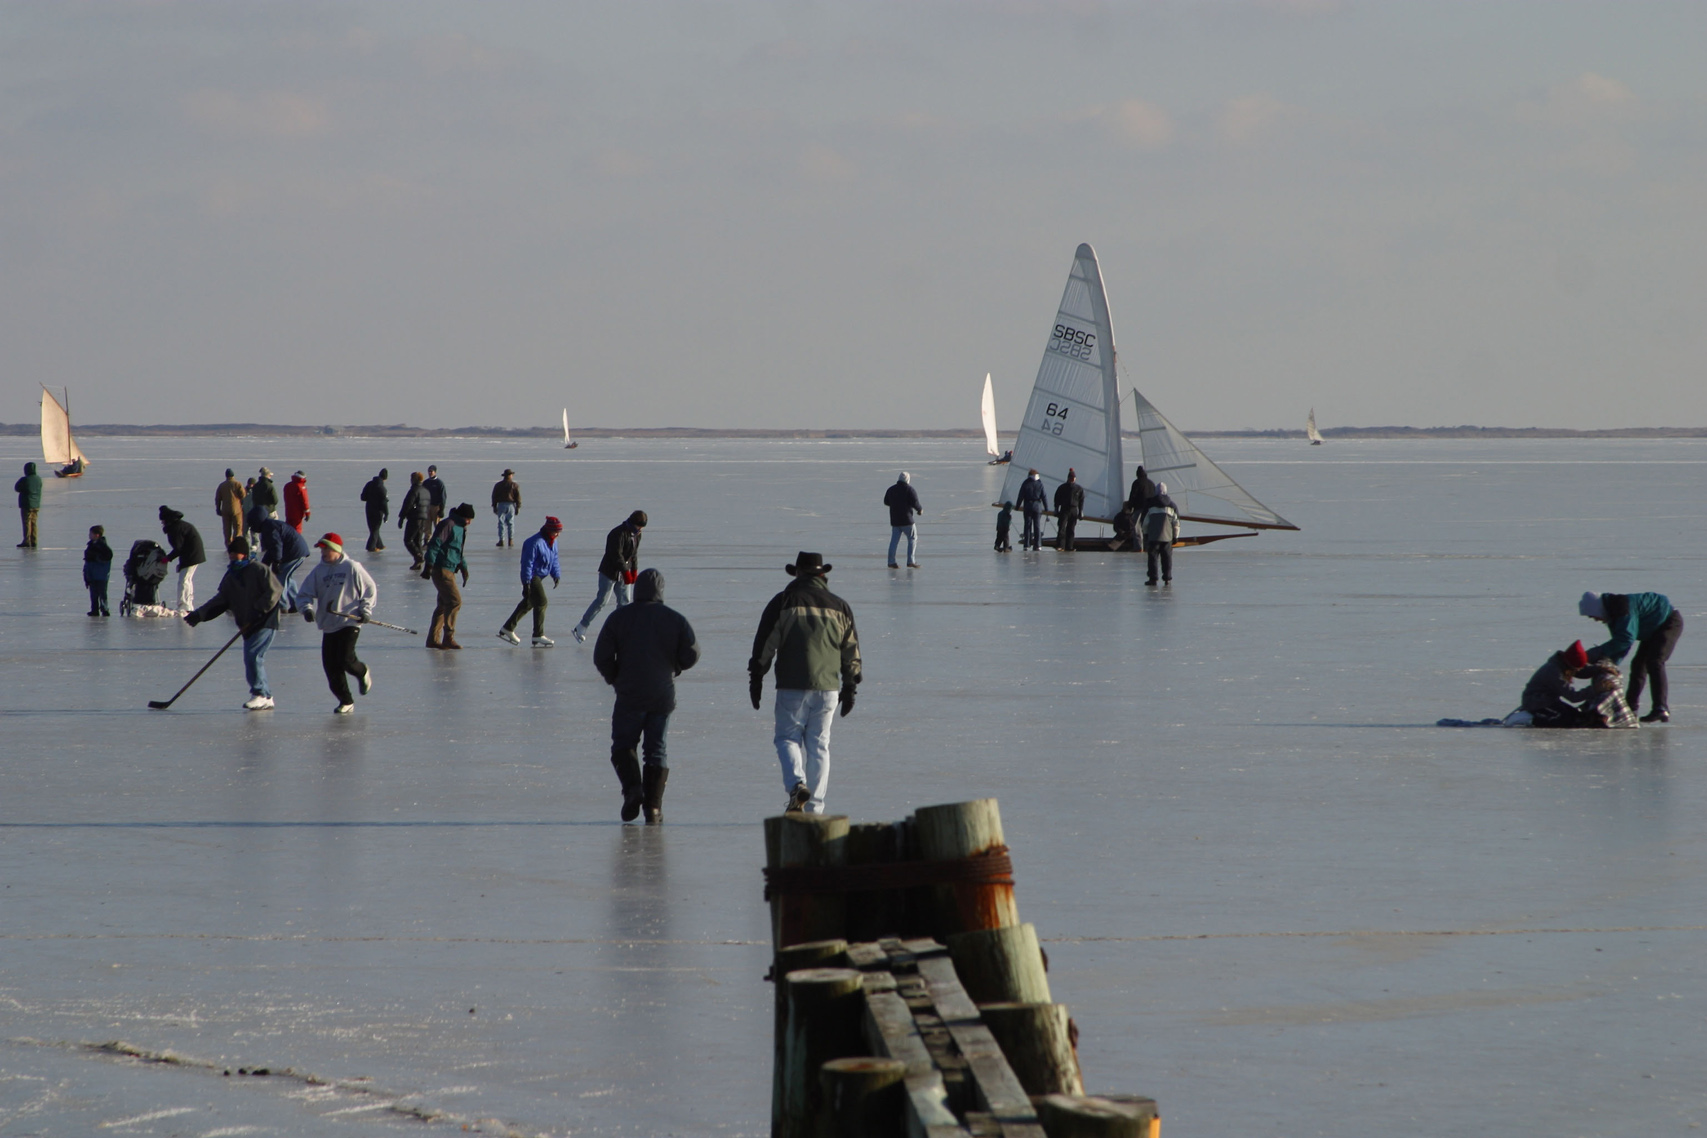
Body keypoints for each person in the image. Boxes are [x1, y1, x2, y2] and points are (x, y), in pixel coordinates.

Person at [748, 552, 861, 815]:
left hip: (792, 685)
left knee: (787, 738)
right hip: (828, 688)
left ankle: (796, 785)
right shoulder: (840, 606)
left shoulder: (784, 601)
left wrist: (756, 678)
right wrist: (850, 686)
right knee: (819, 745)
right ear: (822, 575)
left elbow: (765, 644)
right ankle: (815, 808)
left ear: (797, 573)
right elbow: (851, 650)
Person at [594, 568, 701, 824]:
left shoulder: (619, 618)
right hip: (661, 694)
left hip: (629, 693)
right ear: (660, 590)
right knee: (656, 750)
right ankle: (653, 808)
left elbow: (601, 656)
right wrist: (674, 667)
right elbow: (692, 654)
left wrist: (615, 678)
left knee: (623, 745)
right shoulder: (675, 619)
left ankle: (633, 790)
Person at [184, 537, 285, 711]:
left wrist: (258, 609)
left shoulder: (259, 569)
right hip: (247, 624)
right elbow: (221, 600)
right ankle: (266, 696)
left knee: (253, 656)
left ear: (244, 554)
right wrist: (199, 615)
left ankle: (260, 694)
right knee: (252, 657)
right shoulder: (231, 576)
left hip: (265, 621)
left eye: (235, 553)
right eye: (230, 553)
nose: (231, 556)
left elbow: (275, 591)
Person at [296, 533, 378, 714]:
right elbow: (304, 594)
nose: (323, 552)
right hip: (329, 624)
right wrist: (307, 609)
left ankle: (362, 671)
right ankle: (346, 701)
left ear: (336, 549)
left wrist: (365, 610)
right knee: (331, 666)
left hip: (350, 621)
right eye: (321, 549)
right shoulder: (319, 571)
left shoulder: (352, 567)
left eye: (326, 548)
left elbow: (369, 589)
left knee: (345, 659)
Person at [1580, 590, 1683, 723]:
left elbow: (1626, 639)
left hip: (1668, 623)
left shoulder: (1621, 608)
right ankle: (1631, 707)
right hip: (1652, 631)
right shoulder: (1612, 614)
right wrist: (1609, 664)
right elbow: (1620, 645)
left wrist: (1598, 653)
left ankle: (1661, 708)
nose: (1595, 619)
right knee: (1638, 666)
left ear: (1597, 609)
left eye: (1592, 616)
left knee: (1655, 662)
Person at [572, 510, 647, 643]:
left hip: (624, 573)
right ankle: (581, 626)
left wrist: (634, 570)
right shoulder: (617, 533)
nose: (640, 530)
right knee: (602, 601)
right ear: (633, 523)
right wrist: (625, 571)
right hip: (609, 572)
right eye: (639, 527)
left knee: (624, 602)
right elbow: (615, 555)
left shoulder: (637, 535)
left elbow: (633, 554)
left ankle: (622, 632)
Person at [498, 516, 563, 647]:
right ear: (549, 530)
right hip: (532, 576)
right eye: (555, 531)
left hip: (540, 575)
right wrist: (526, 583)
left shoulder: (553, 542)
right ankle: (538, 635)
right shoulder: (534, 542)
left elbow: (554, 559)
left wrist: (556, 575)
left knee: (529, 602)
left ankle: (508, 628)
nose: (557, 534)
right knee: (542, 602)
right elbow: (527, 564)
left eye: (559, 532)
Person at [423, 502, 475, 649]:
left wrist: (464, 568)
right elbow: (435, 544)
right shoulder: (448, 524)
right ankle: (448, 637)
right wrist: (429, 565)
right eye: (468, 519)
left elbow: (458, 551)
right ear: (462, 516)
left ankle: (433, 639)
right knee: (454, 601)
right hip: (441, 569)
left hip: (450, 569)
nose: (470, 523)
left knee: (443, 604)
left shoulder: (461, 528)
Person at [249, 505, 311, 612]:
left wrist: (277, 562)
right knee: (288, 578)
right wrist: (265, 565)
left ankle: (280, 605)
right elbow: (271, 549)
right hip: (296, 552)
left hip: (293, 553)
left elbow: (276, 545)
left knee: (280, 579)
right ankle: (296, 603)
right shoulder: (268, 526)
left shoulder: (269, 527)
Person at [1520, 640, 1593, 727]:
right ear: (1571, 666)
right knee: (1564, 720)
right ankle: (1529, 719)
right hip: (1536, 703)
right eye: (1576, 669)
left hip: (1549, 700)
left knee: (1576, 716)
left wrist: (1599, 669)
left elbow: (1583, 671)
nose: (1578, 671)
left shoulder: (1562, 663)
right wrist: (1595, 688)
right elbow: (1573, 697)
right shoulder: (1555, 673)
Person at [159, 506, 206, 612]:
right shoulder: (179, 525)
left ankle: (184, 605)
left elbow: (178, 548)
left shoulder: (176, 529)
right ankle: (187, 604)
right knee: (187, 579)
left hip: (192, 555)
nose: (162, 523)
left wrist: (168, 558)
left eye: (163, 521)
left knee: (184, 580)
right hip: (193, 555)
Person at [1141, 481, 1179, 586]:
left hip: (1153, 537)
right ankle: (1167, 579)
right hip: (1167, 537)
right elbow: (1176, 523)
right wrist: (1175, 536)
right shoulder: (1172, 506)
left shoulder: (1150, 505)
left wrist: (1146, 534)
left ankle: (1153, 579)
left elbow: (1145, 523)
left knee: (1153, 558)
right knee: (1167, 558)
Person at [883, 472, 922, 568]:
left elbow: (886, 501)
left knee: (894, 541)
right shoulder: (909, 489)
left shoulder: (891, 489)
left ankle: (891, 562)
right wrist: (919, 509)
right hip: (907, 520)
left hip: (895, 520)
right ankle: (910, 561)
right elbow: (915, 502)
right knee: (912, 538)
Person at [398, 471, 431, 570]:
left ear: (414, 479)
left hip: (414, 518)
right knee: (417, 541)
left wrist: (402, 517)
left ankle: (418, 557)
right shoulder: (426, 491)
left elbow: (407, 504)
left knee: (408, 540)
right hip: (423, 518)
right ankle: (418, 561)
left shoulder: (414, 490)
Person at [83, 525, 113, 616]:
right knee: (93, 593)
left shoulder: (103, 546)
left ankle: (105, 609)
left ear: (97, 535)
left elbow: (108, 556)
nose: (89, 535)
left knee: (102, 593)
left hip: (100, 574)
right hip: (91, 573)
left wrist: (97, 558)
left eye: (91, 534)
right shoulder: (91, 545)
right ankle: (94, 609)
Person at [1052, 468, 1085, 552]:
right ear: (1068, 478)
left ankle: (1069, 546)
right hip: (1064, 509)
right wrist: (1056, 508)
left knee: (1071, 529)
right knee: (1062, 528)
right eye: (1071, 478)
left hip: (1074, 510)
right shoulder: (1062, 487)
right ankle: (1060, 546)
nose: (1072, 479)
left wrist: (1081, 511)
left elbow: (1081, 500)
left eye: (1073, 478)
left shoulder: (1079, 488)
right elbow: (1057, 499)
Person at [1016, 469, 1047, 551]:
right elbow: (1044, 496)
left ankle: (1027, 544)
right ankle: (1038, 545)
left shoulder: (1026, 483)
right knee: (1037, 526)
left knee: (1027, 525)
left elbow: (1021, 496)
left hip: (1028, 506)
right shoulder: (1040, 484)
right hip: (1037, 506)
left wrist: (1017, 506)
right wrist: (1046, 508)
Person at [360, 468, 389, 553]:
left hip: (369, 509)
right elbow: (384, 502)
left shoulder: (369, 484)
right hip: (378, 511)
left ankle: (379, 544)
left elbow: (363, 497)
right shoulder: (382, 488)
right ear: (385, 478)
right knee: (375, 529)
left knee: (373, 528)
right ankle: (371, 547)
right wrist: (386, 514)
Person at [14, 461, 42, 548]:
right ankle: (34, 540)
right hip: (36, 504)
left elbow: (17, 488)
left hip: (27, 504)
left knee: (26, 523)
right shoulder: (38, 479)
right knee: (34, 523)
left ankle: (26, 540)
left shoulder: (25, 479)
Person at [215, 468, 246, 546]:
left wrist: (218, 509)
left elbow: (218, 498)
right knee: (238, 527)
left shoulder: (222, 485)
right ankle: (236, 543)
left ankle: (228, 543)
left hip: (225, 510)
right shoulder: (238, 484)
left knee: (227, 529)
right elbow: (243, 495)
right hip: (236, 509)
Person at [491, 469, 521, 547]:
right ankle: (510, 540)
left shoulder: (498, 485)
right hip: (511, 505)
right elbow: (517, 497)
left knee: (501, 523)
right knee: (510, 523)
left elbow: (494, 496)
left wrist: (494, 506)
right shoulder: (514, 485)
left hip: (501, 505)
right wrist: (518, 506)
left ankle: (501, 540)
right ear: (510, 475)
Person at [422, 465, 447, 531]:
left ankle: (439, 539)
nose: (430, 473)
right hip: (427, 507)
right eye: (429, 471)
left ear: (435, 472)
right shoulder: (425, 483)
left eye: (431, 471)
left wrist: (441, 509)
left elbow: (443, 497)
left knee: (438, 526)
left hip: (436, 507)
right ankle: (427, 540)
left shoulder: (439, 483)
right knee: (426, 527)